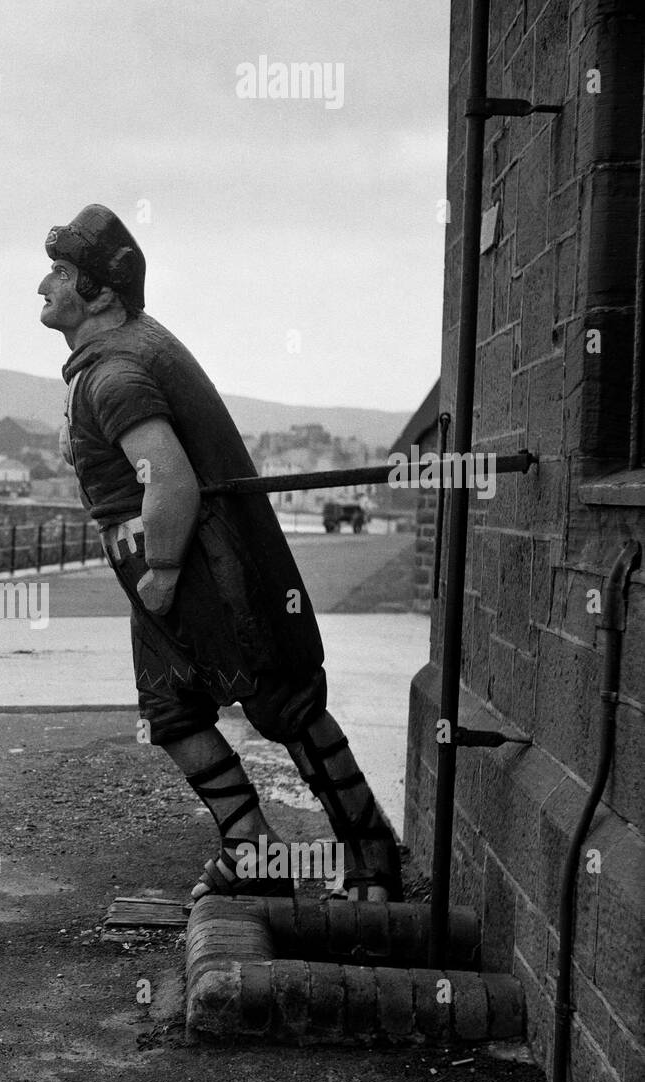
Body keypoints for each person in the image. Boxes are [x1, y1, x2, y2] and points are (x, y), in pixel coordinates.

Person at [39, 203, 402, 903]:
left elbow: (168, 482)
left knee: (282, 703)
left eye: (60, 271)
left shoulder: (116, 373)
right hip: (178, 568)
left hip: (201, 567)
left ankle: (371, 855)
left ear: (101, 293)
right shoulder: (125, 355)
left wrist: (164, 573)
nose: (44, 285)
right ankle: (252, 848)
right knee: (171, 712)